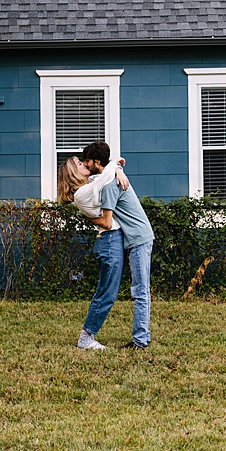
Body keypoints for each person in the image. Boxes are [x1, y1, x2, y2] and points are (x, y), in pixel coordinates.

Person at [81, 140, 155, 350]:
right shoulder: (110, 175)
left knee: (140, 290)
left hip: (138, 238)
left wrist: (87, 218)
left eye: (88, 162)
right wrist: (118, 167)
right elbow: (112, 165)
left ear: (97, 162)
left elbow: (105, 221)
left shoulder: (110, 186)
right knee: (140, 289)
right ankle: (143, 336)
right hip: (135, 237)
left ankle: (140, 341)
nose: (85, 165)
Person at [57, 155, 129, 350]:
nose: (85, 164)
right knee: (106, 292)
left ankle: (88, 335)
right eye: (80, 164)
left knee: (108, 291)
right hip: (109, 241)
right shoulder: (81, 193)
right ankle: (86, 337)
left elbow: (104, 177)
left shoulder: (87, 186)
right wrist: (114, 164)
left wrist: (117, 169)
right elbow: (104, 180)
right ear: (73, 172)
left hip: (112, 239)